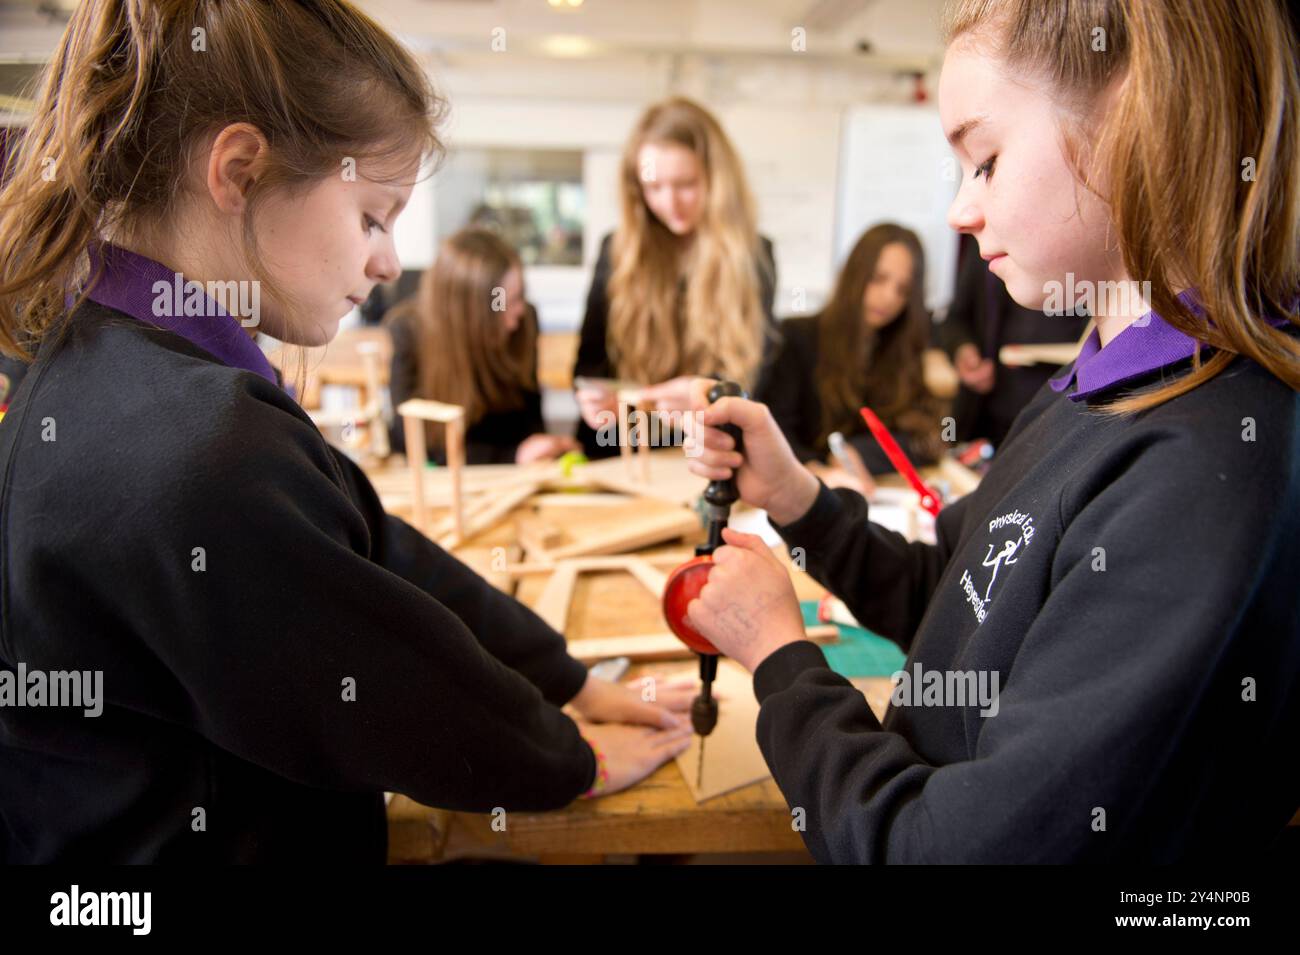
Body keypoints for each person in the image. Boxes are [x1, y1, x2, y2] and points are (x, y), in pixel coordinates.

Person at [0, 0, 691, 864]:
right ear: (242, 169)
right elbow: (383, 683)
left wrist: (564, 676)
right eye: (373, 215)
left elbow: (370, 545)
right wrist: (566, 759)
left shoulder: (137, 366)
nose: (389, 262)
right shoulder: (193, 449)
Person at [680, 0, 1300, 862]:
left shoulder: (1201, 470)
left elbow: (940, 849)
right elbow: (963, 592)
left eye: (986, 160)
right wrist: (797, 499)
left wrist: (781, 658)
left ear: (1134, 112)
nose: (960, 213)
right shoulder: (1099, 376)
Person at [573, 97, 776, 458]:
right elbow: (590, 366)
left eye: (686, 184)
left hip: (713, 453)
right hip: (623, 451)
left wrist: (705, 400)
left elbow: (757, 390)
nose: (670, 203)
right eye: (653, 188)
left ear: (717, 180)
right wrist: (595, 402)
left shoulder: (753, 257)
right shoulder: (616, 252)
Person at [756, 223, 946, 493]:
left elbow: (928, 439)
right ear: (855, 275)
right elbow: (772, 432)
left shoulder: (900, 349)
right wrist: (818, 470)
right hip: (801, 489)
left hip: (870, 495)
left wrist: (857, 453)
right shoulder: (797, 338)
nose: (889, 297)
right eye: (878, 279)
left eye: (902, 289)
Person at [387, 227, 578, 465]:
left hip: (510, 473)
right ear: (472, 313)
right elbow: (413, 443)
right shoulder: (410, 332)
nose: (519, 310)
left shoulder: (523, 322)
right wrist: (512, 456)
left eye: (520, 295)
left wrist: (541, 448)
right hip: (452, 477)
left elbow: (530, 420)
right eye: (508, 302)